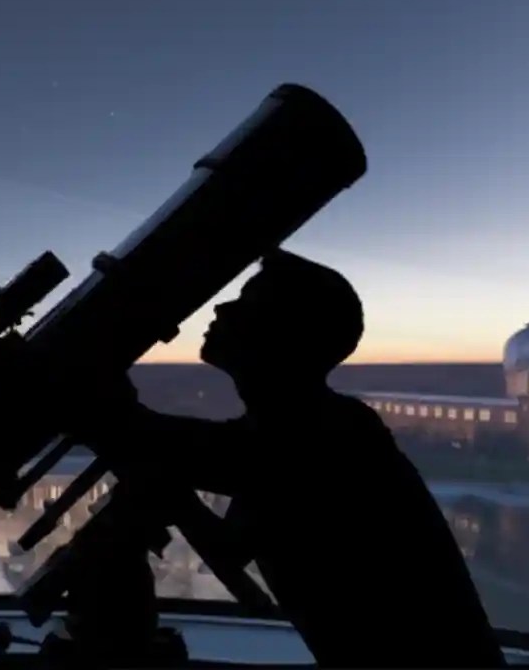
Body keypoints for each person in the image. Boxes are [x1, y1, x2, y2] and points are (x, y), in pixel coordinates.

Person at [81, 249, 505, 667]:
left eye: (248, 302)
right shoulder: (315, 427)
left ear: (284, 335)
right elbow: (230, 546)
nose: (223, 306)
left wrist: (93, 388)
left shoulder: (327, 434)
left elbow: (157, 441)